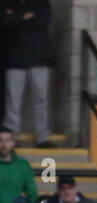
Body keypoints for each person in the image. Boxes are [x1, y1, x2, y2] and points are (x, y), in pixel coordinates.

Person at [1, 0, 54, 146]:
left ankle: (42, 137)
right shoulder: (7, 3)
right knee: (13, 100)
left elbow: (43, 23)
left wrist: (16, 19)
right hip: (14, 57)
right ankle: (12, 135)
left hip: (39, 57)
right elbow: (5, 23)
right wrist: (26, 18)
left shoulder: (41, 3)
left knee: (41, 99)